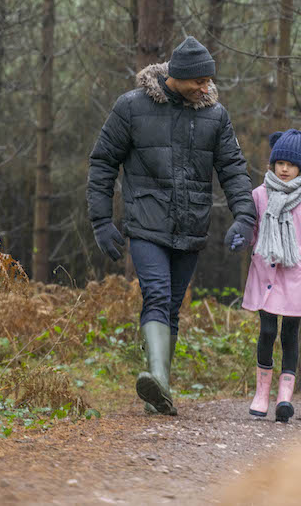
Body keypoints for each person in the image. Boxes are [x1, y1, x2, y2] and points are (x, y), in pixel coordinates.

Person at [87, 36, 255, 416]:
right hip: (146, 224)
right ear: (178, 76)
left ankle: (158, 395)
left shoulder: (215, 116)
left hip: (190, 225)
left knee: (173, 307)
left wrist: (244, 215)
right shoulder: (131, 108)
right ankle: (159, 382)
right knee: (158, 295)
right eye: (200, 80)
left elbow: (233, 169)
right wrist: (101, 220)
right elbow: (102, 163)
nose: (206, 87)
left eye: (209, 81)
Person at [238, 129, 301, 423]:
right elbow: (250, 230)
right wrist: (240, 238)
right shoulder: (259, 194)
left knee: (290, 335)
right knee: (267, 332)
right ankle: (261, 393)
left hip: (296, 278)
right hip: (266, 272)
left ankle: (284, 397)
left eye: (290, 164)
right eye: (279, 162)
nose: (283, 168)